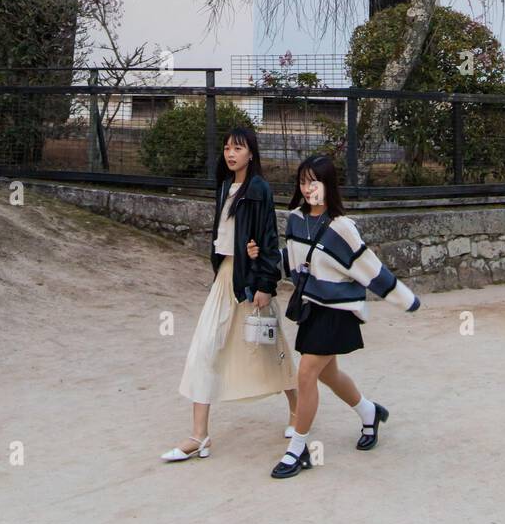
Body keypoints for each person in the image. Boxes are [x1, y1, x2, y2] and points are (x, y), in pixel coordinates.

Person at [247, 153, 420, 479]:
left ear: (327, 185)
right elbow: (290, 261)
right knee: (328, 374)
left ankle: (297, 450)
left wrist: (406, 299)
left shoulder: (343, 228)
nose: (308, 188)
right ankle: (370, 413)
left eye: (314, 181)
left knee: (307, 374)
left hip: (338, 310)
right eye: (302, 181)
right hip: (312, 308)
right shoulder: (296, 218)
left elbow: (370, 268)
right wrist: (259, 261)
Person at [160, 126, 298, 461]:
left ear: (251, 152)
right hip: (225, 278)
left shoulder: (259, 189)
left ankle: (299, 413)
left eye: (238, 148)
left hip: (250, 281)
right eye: (226, 148)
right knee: (205, 348)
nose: (231, 153)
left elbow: (267, 239)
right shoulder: (224, 188)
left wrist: (266, 284)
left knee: (271, 350)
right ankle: (199, 436)